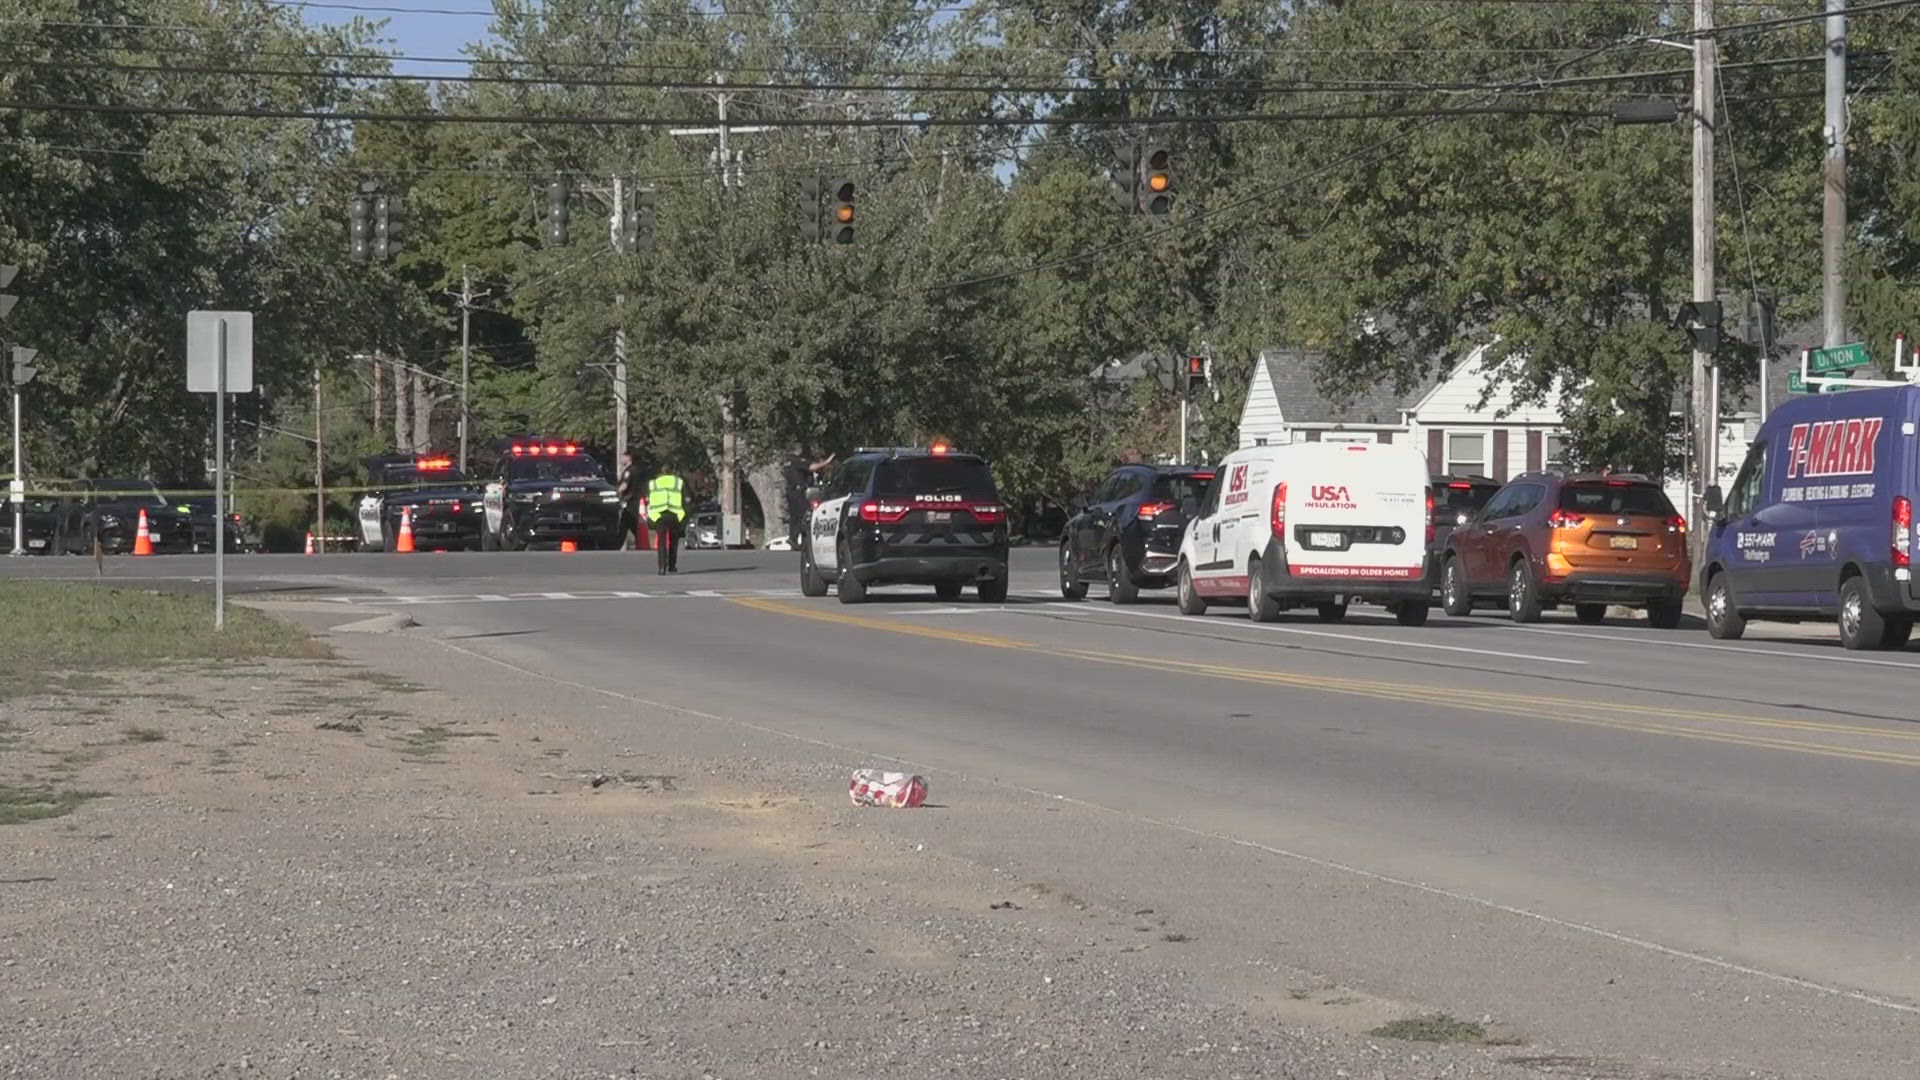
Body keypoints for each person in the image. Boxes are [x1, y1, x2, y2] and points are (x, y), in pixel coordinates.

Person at [647, 466, 687, 574]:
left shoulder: (654, 483)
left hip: (659, 515)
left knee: (661, 542)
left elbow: (649, 499)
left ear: (661, 473)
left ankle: (661, 568)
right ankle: (672, 566)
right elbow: (684, 499)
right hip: (675, 514)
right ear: (671, 472)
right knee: (674, 541)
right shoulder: (678, 482)